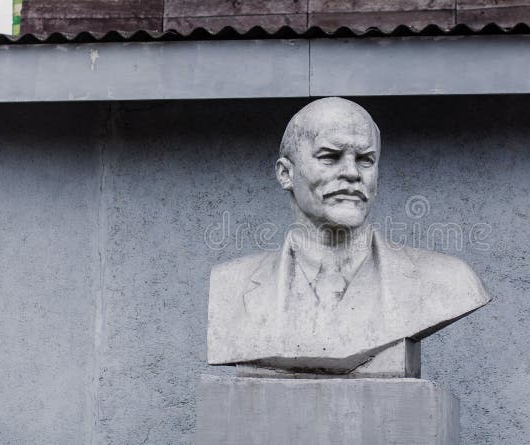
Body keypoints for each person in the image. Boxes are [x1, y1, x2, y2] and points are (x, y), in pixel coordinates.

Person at [208, 97, 489, 377]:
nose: (352, 173)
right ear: (285, 173)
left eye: (365, 160)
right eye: (330, 157)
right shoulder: (230, 286)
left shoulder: (449, 281)